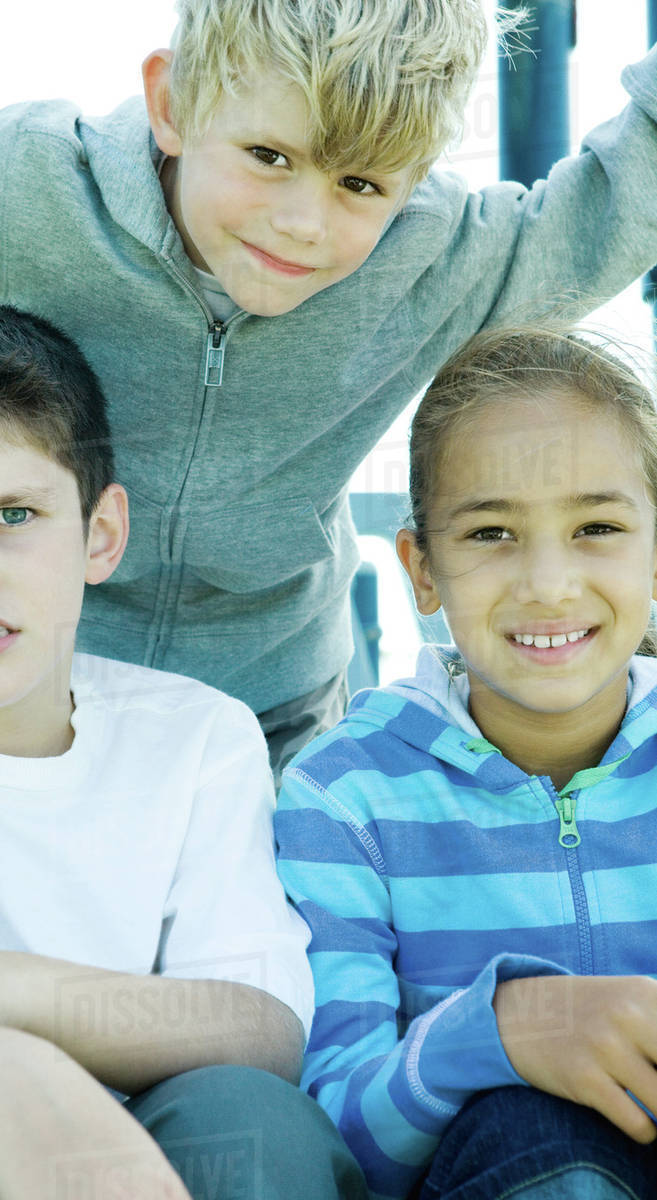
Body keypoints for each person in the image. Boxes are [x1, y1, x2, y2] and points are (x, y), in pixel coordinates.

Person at [0, 3, 657, 778]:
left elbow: (599, 213)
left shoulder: (435, 257)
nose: (301, 222)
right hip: (32, 681)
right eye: (268, 157)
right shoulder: (39, 191)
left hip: (270, 705)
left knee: (279, 905)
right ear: (171, 104)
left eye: (359, 184)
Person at [0, 294, 367, 1200]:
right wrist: (12, 1085)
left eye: (13, 514)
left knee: (251, 1122)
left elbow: (259, 1027)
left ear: (100, 534)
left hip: (143, 1159)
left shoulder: (198, 736)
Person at [274, 324, 657, 1199]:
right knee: (525, 1118)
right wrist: (500, 1033)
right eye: (490, 534)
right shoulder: (342, 797)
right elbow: (336, 1139)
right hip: (511, 1175)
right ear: (421, 569)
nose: (548, 584)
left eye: (596, 525)